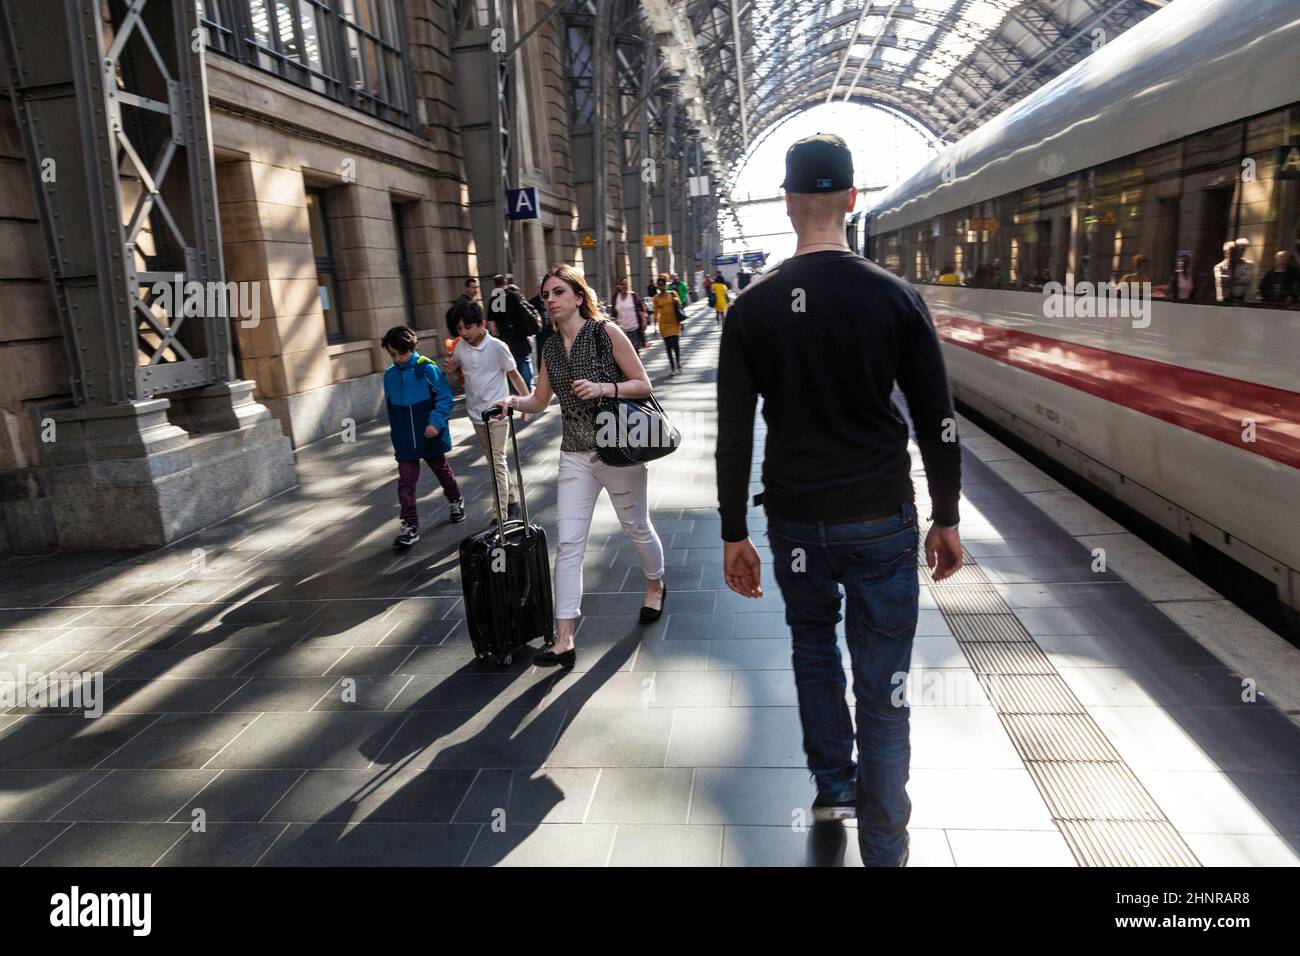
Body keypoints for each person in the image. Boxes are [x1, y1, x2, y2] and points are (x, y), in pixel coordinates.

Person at [716, 133, 963, 868]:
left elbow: (734, 435)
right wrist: (946, 517)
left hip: (793, 521)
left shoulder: (753, 307)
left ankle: (832, 784)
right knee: (884, 689)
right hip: (881, 516)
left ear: (789, 204)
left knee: (812, 647)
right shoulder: (895, 297)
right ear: (852, 200)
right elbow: (936, 421)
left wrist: (735, 533)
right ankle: (886, 850)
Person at [489, 265, 667, 669]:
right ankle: (564, 638)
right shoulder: (549, 346)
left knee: (636, 527)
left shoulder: (606, 333)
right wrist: (510, 403)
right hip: (574, 454)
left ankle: (656, 584)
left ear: (577, 296)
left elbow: (643, 384)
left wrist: (604, 388)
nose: (549, 299)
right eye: (546, 294)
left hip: (617, 450)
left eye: (557, 292)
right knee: (569, 543)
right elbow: (538, 401)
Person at [443, 301, 529, 523]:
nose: (463, 332)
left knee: (497, 461)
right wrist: (452, 370)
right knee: (494, 462)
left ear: (481, 324)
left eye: (467, 327)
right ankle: (511, 500)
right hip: (475, 415)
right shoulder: (460, 346)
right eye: (459, 328)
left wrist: (526, 402)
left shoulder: (497, 347)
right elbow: (460, 374)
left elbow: (514, 374)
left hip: (498, 413)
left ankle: (499, 515)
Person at [382, 326, 465, 546]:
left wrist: (435, 423)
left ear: (410, 348)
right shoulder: (389, 375)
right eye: (392, 354)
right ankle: (410, 525)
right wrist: (397, 436)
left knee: (441, 470)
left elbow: (445, 399)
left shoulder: (427, 369)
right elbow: (392, 410)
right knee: (406, 482)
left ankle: (456, 499)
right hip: (404, 439)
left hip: (429, 434)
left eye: (400, 353)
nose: (397, 358)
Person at [489, 275, 541, 390]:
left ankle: (514, 390)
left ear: (495, 284)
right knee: (524, 361)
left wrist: (495, 336)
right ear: (505, 282)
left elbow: (491, 322)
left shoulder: (495, 299)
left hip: (505, 338)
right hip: (520, 335)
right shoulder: (514, 295)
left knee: (510, 365)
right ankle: (527, 389)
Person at [611, 276, 647, 350]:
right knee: (625, 352)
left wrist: (644, 321)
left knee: (635, 352)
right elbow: (614, 314)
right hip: (622, 331)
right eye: (623, 284)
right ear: (619, 286)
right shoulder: (615, 298)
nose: (625, 286)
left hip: (634, 329)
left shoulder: (633, 296)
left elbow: (641, 309)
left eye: (627, 284)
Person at [653, 282, 683, 373]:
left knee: (675, 344)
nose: (661, 286)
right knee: (668, 347)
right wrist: (655, 327)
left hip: (674, 323)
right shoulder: (656, 298)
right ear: (658, 286)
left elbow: (680, 305)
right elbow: (655, 313)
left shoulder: (672, 293)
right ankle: (673, 367)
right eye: (659, 285)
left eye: (662, 284)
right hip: (664, 325)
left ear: (665, 285)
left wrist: (676, 301)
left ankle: (678, 361)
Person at [1214, 238, 1255, 303]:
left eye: (1241, 250)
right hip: (1225, 300)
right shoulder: (1219, 267)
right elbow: (1222, 281)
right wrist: (1237, 279)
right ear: (1226, 253)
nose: (1239, 253)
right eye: (1232, 252)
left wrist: (1230, 282)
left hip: (1243, 300)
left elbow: (1246, 279)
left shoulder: (1248, 264)